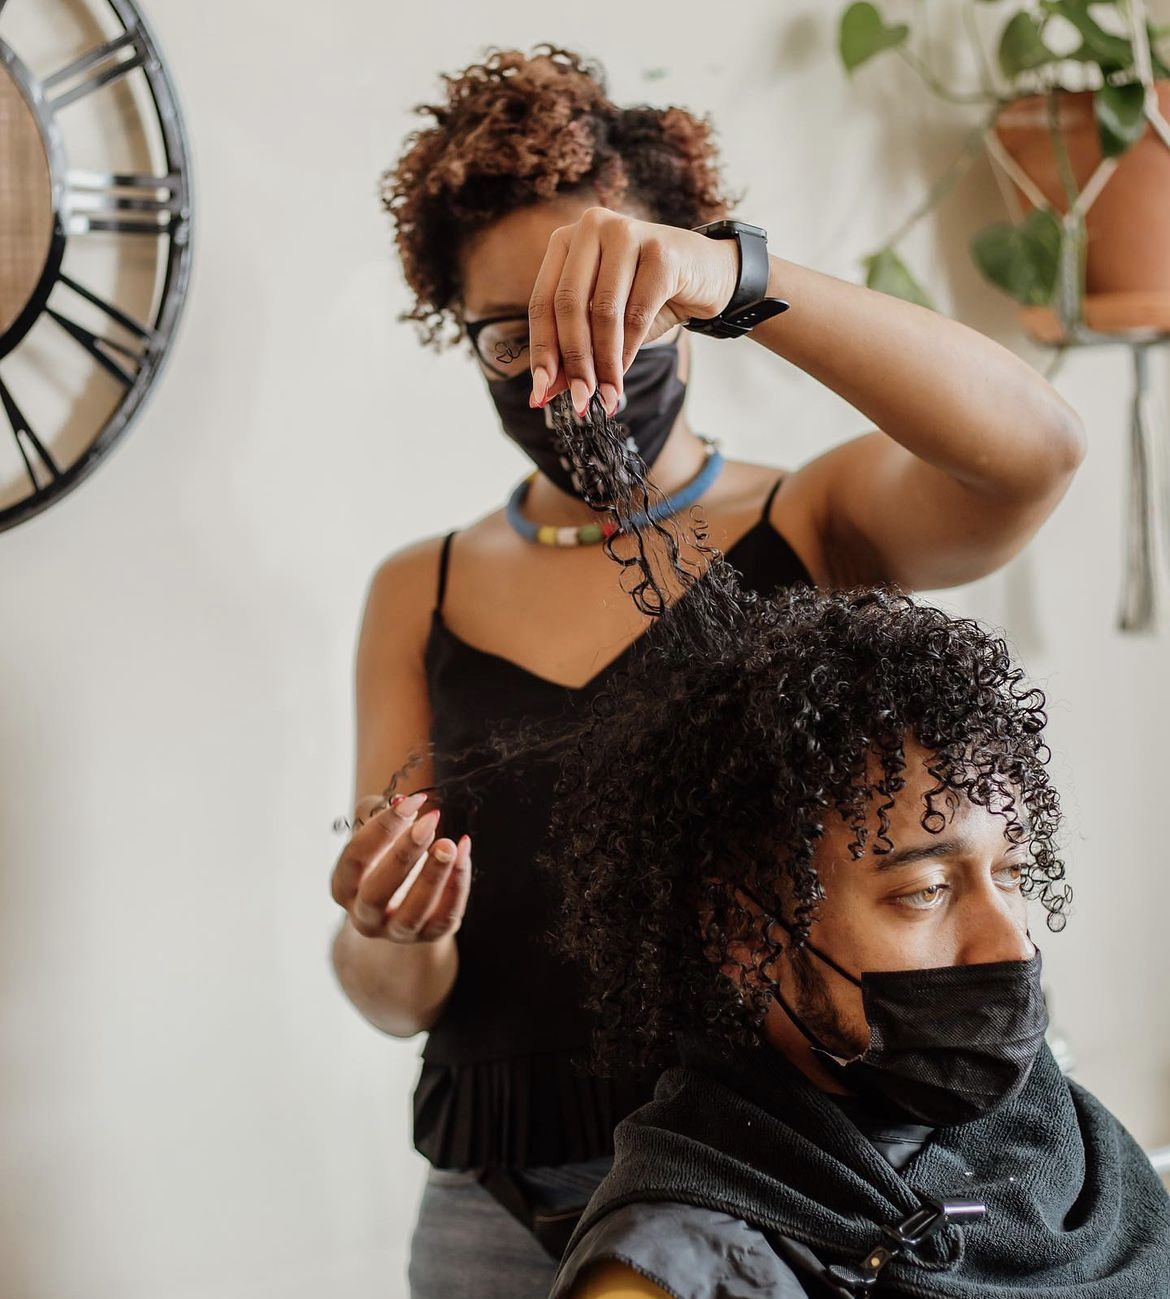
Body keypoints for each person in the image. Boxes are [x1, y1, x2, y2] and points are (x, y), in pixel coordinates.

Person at [326, 43, 1086, 1298]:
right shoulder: (423, 590)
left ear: (676, 298)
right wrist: (382, 929)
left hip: (773, 1192)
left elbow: (1035, 453)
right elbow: (397, 997)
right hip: (495, 1210)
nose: (565, 366)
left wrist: (737, 272)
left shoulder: (816, 522)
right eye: (512, 337)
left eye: (605, 310)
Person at [545, 583, 1170, 1298]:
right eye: (925, 891)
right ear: (743, 932)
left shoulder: (1066, 1144)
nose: (1010, 946)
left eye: (1011, 872)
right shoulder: (667, 1274)